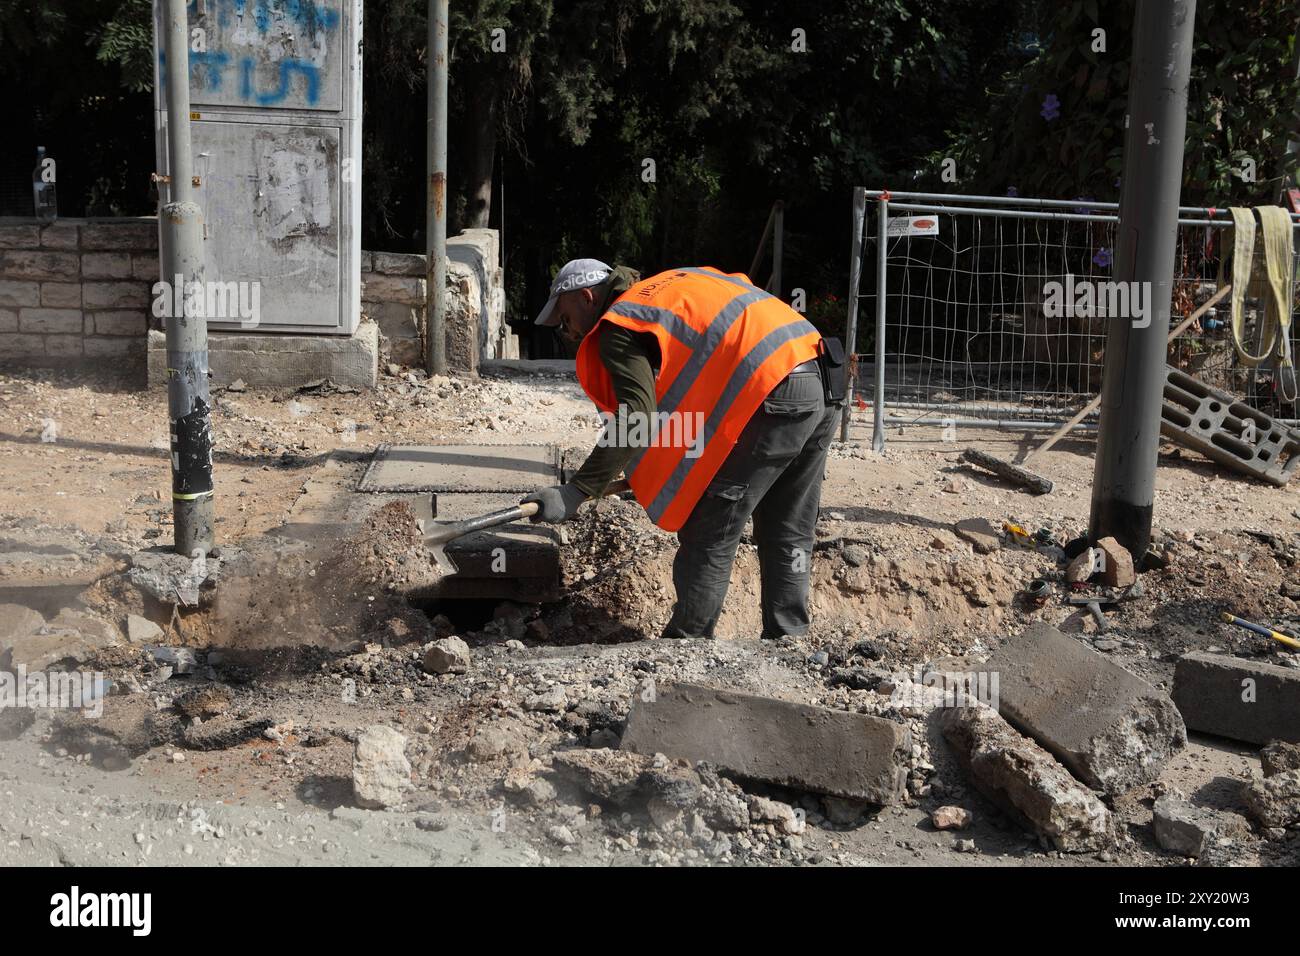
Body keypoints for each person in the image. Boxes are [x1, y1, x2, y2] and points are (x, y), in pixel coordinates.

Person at [523, 258, 845, 640]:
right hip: (822, 375)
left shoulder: (621, 322)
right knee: (788, 525)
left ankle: (685, 645)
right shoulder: (668, 287)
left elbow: (636, 417)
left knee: (712, 524)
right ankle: (790, 640)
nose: (568, 329)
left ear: (587, 297)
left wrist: (577, 490)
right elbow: (694, 400)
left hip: (774, 388)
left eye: (564, 317)